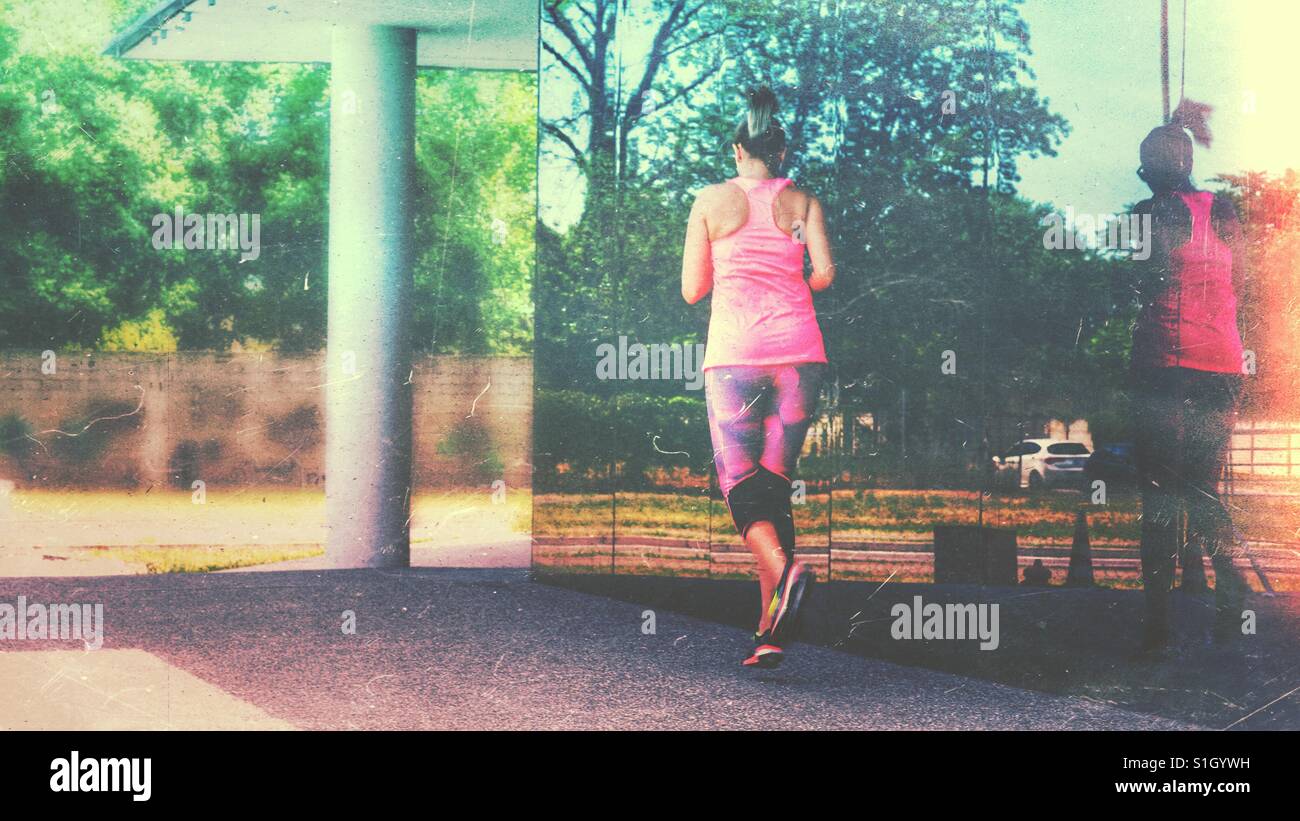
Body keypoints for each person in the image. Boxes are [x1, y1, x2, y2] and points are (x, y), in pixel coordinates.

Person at [680, 86, 835, 668]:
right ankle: (770, 632)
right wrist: (792, 267)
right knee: (773, 489)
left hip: (735, 356)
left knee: (740, 486)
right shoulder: (803, 201)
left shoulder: (710, 200)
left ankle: (786, 572)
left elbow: (693, 289)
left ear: (737, 149)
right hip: (799, 355)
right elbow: (823, 275)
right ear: (782, 151)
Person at [1129, 100, 1251, 650]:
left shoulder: (1148, 212)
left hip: (1167, 362)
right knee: (1203, 484)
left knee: (1158, 489)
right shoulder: (1222, 209)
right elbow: (1241, 283)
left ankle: (1156, 622)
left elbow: (1143, 281)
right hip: (1223, 361)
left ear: (1149, 169)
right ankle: (1231, 593)